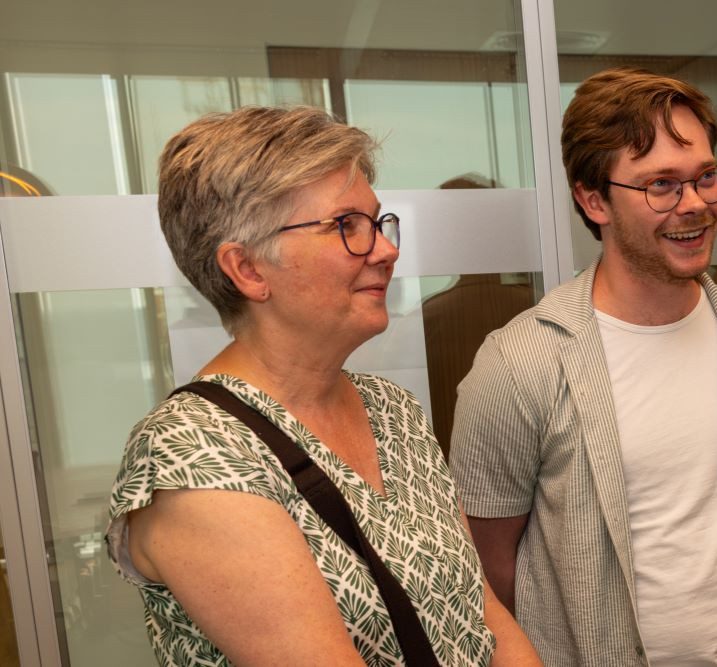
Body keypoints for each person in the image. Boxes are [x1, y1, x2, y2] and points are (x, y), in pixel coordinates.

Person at [105, 106, 540, 667]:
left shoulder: (392, 411)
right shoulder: (193, 456)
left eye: (378, 223)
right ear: (248, 270)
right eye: (346, 226)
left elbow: (482, 617)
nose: (386, 250)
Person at [450, 67, 717, 666]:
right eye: (661, 185)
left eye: (705, 178)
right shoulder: (520, 365)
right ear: (594, 199)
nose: (694, 206)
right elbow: (489, 575)